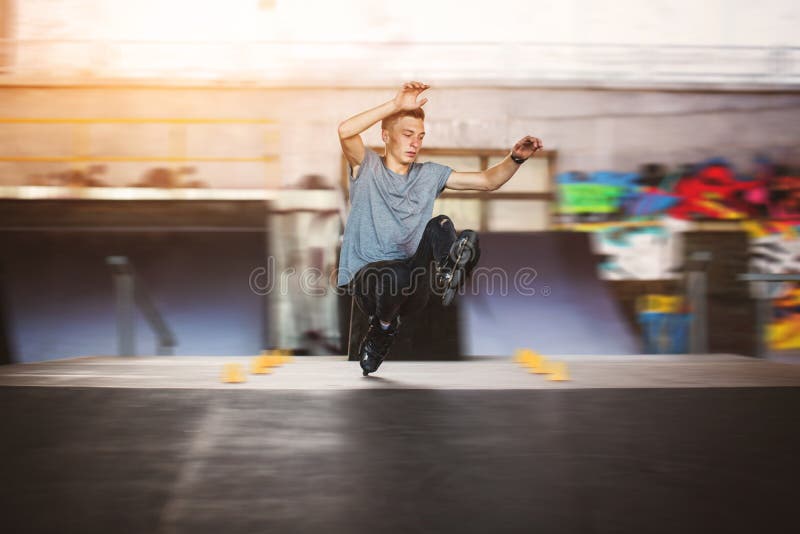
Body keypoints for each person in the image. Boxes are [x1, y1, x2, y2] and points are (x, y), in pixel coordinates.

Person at [337, 81, 543, 375]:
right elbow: (345, 130)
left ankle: (450, 270)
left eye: (420, 137)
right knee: (394, 274)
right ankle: (382, 329)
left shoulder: (429, 175)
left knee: (441, 224)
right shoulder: (366, 166)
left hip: (414, 284)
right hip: (372, 286)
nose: (414, 143)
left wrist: (515, 159)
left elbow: (487, 181)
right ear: (385, 136)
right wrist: (397, 105)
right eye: (407, 135)